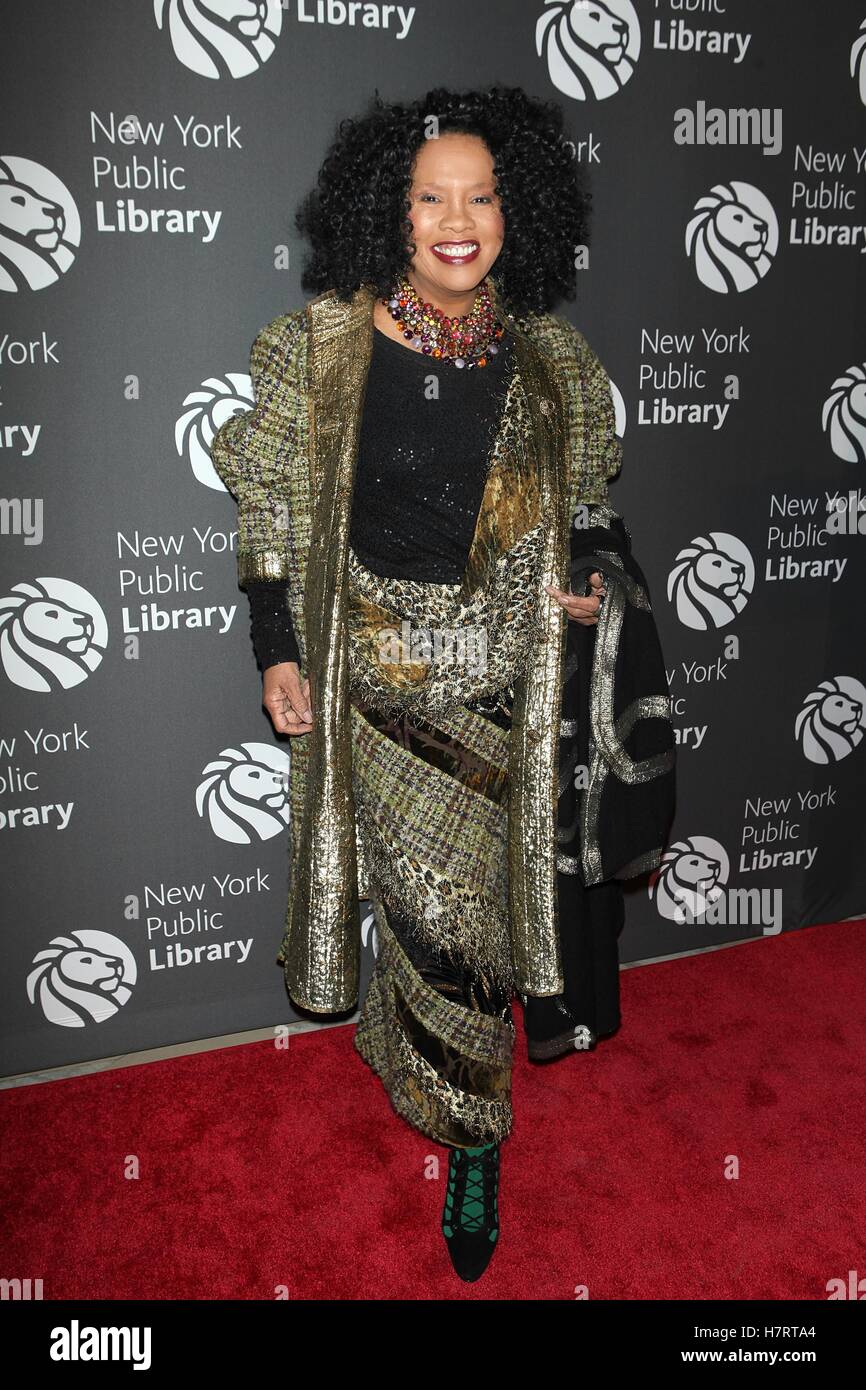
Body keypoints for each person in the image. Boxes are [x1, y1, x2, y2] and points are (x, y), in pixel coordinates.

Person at [210, 85, 675, 1284]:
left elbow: (585, 517)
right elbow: (270, 514)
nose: (456, 220)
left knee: (469, 927)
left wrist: (582, 583)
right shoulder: (315, 348)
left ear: (515, 215)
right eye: (430, 197)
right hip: (373, 678)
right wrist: (277, 645)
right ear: (389, 210)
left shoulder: (550, 360)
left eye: (481, 197)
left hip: (504, 688)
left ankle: (472, 1137)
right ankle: (440, 1079)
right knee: (422, 916)